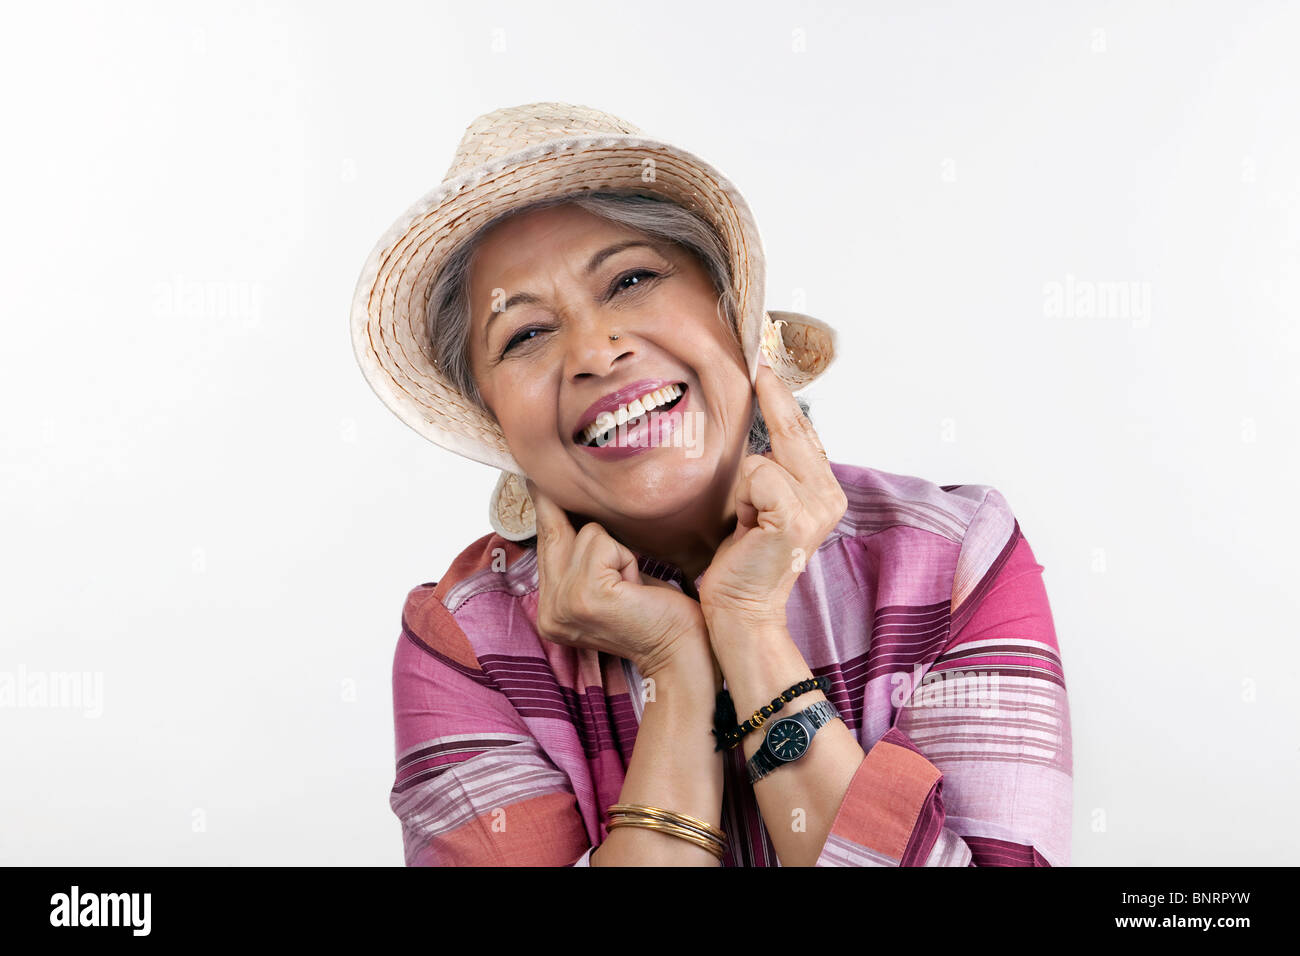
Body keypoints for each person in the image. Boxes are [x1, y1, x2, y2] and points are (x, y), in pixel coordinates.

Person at [351, 102, 1072, 866]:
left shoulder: (957, 556)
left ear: (736, 312)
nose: (595, 351)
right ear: (496, 423)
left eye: (630, 279)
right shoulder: (465, 642)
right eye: (525, 334)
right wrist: (674, 670)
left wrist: (751, 627)